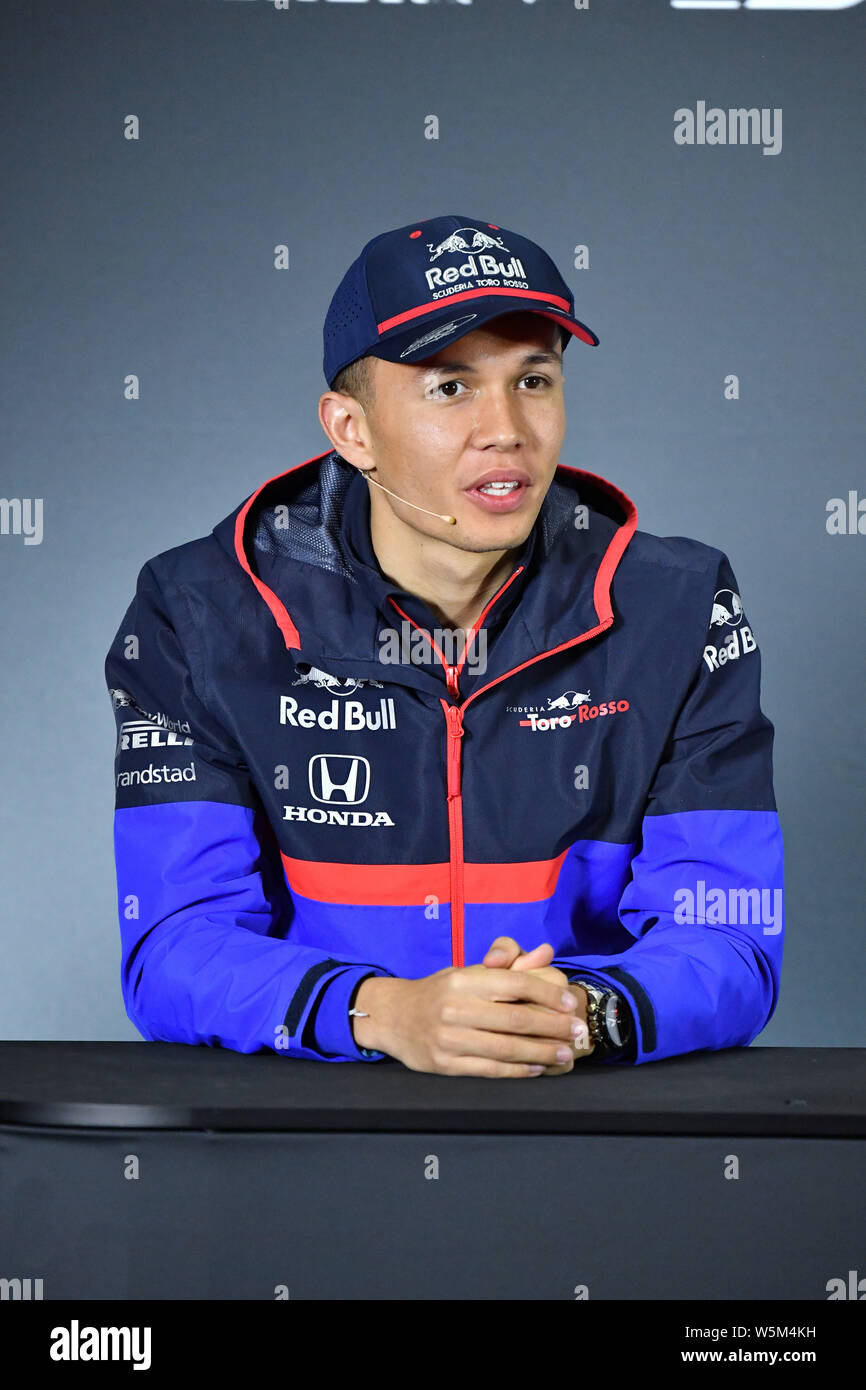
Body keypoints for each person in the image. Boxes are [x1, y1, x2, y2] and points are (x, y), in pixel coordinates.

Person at [105, 213, 784, 1077]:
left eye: (533, 379)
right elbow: (171, 943)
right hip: (313, 1136)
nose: (505, 428)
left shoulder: (678, 605)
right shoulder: (199, 611)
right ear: (352, 431)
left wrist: (582, 1012)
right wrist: (384, 1012)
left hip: (587, 1122)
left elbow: (731, 930)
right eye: (449, 387)